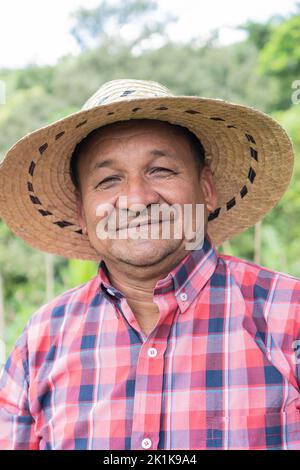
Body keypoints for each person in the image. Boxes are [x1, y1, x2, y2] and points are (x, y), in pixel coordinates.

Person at [0, 78, 299, 450]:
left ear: (206, 189)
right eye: (108, 180)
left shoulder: (289, 315)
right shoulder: (40, 341)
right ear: (81, 212)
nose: (137, 199)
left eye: (161, 170)